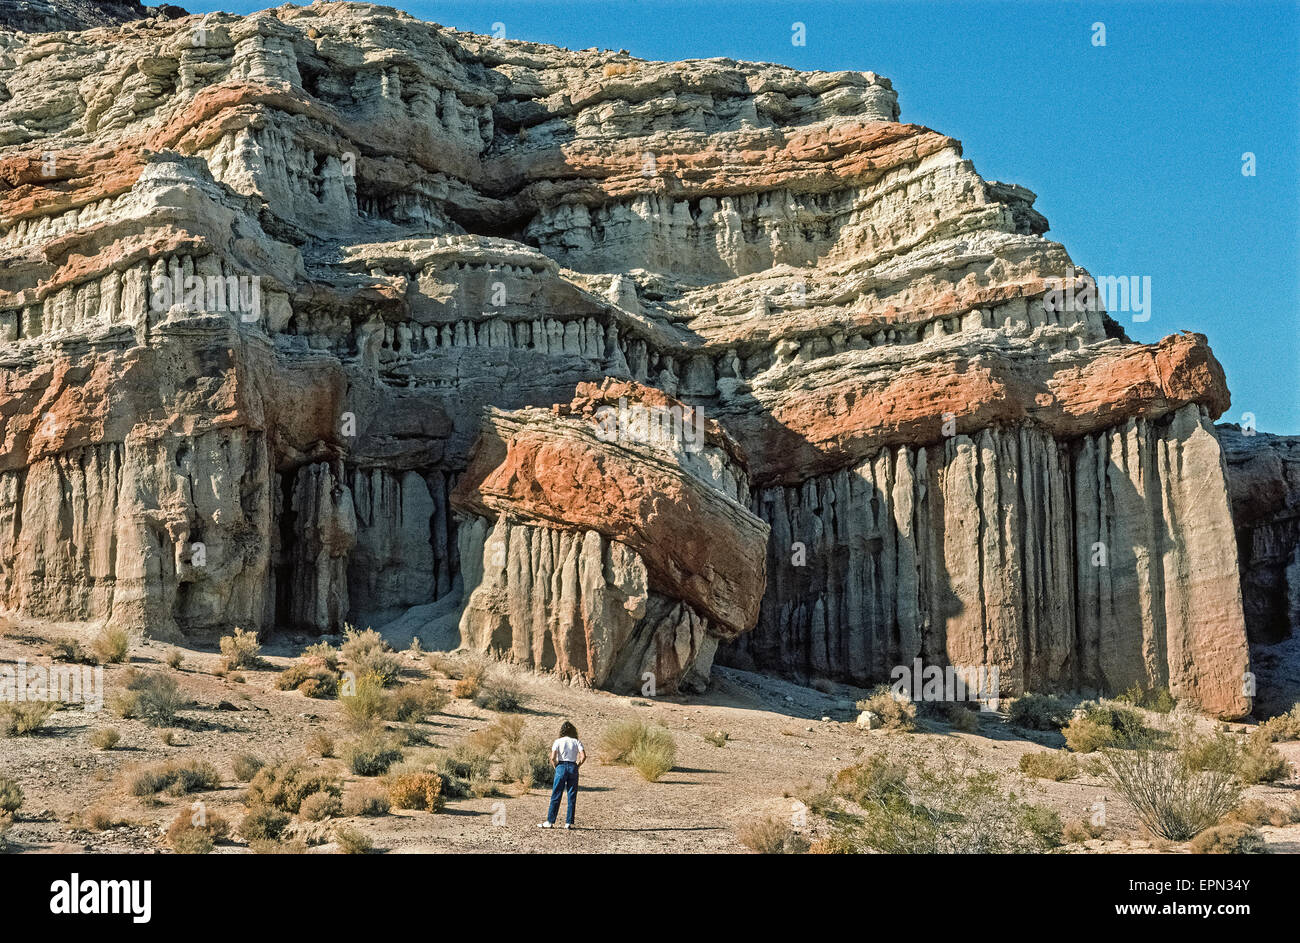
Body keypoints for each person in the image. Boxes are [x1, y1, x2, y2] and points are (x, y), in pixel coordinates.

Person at [539, 720, 584, 829]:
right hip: (573, 766)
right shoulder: (576, 741)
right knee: (572, 795)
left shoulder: (558, 741)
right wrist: (577, 766)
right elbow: (583, 756)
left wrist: (556, 767)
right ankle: (568, 823)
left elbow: (553, 757)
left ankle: (550, 821)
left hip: (561, 767)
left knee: (556, 794)